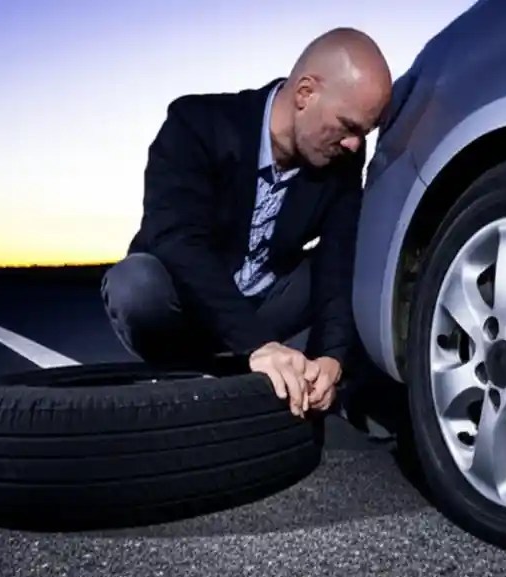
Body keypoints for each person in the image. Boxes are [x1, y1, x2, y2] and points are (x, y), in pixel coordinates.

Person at [100, 27, 392, 419]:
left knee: (358, 262)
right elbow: (176, 241)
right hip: (188, 304)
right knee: (134, 284)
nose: (356, 144)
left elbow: (338, 258)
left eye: (365, 133)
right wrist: (257, 343)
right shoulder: (196, 123)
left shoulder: (342, 160)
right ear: (305, 93)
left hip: (265, 303)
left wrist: (330, 359)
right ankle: (186, 369)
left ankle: (260, 364)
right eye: (348, 126)